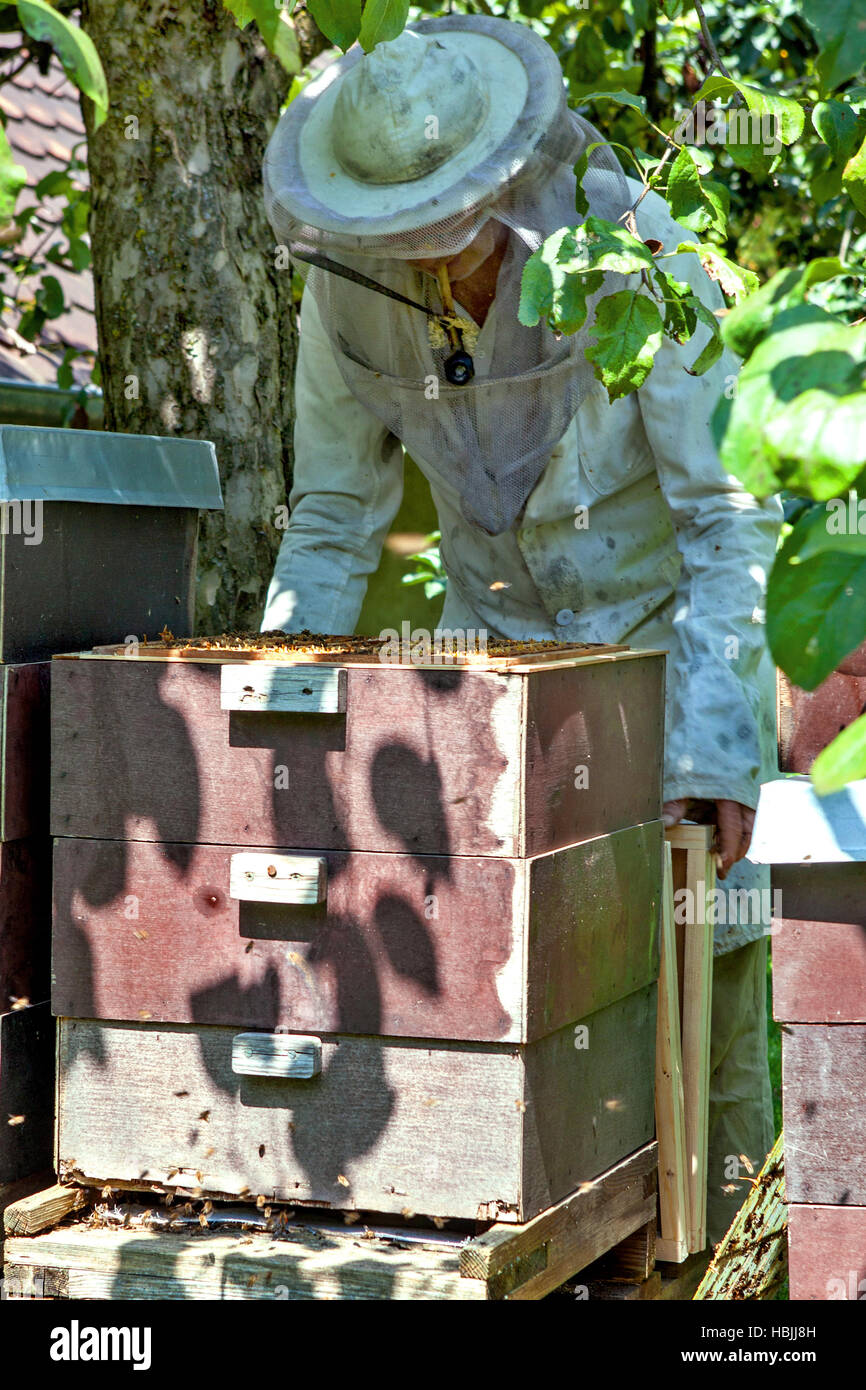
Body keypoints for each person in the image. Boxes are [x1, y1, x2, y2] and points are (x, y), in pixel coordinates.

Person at [260, 15, 781, 1243]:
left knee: (704, 1009)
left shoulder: (635, 254)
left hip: (664, 660)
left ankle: (742, 1288)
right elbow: (331, 519)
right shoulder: (339, 299)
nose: (443, 279)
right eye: (411, 252)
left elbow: (724, 520)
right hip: (482, 683)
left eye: (457, 246)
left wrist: (710, 755)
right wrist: (270, 736)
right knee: (509, 1009)